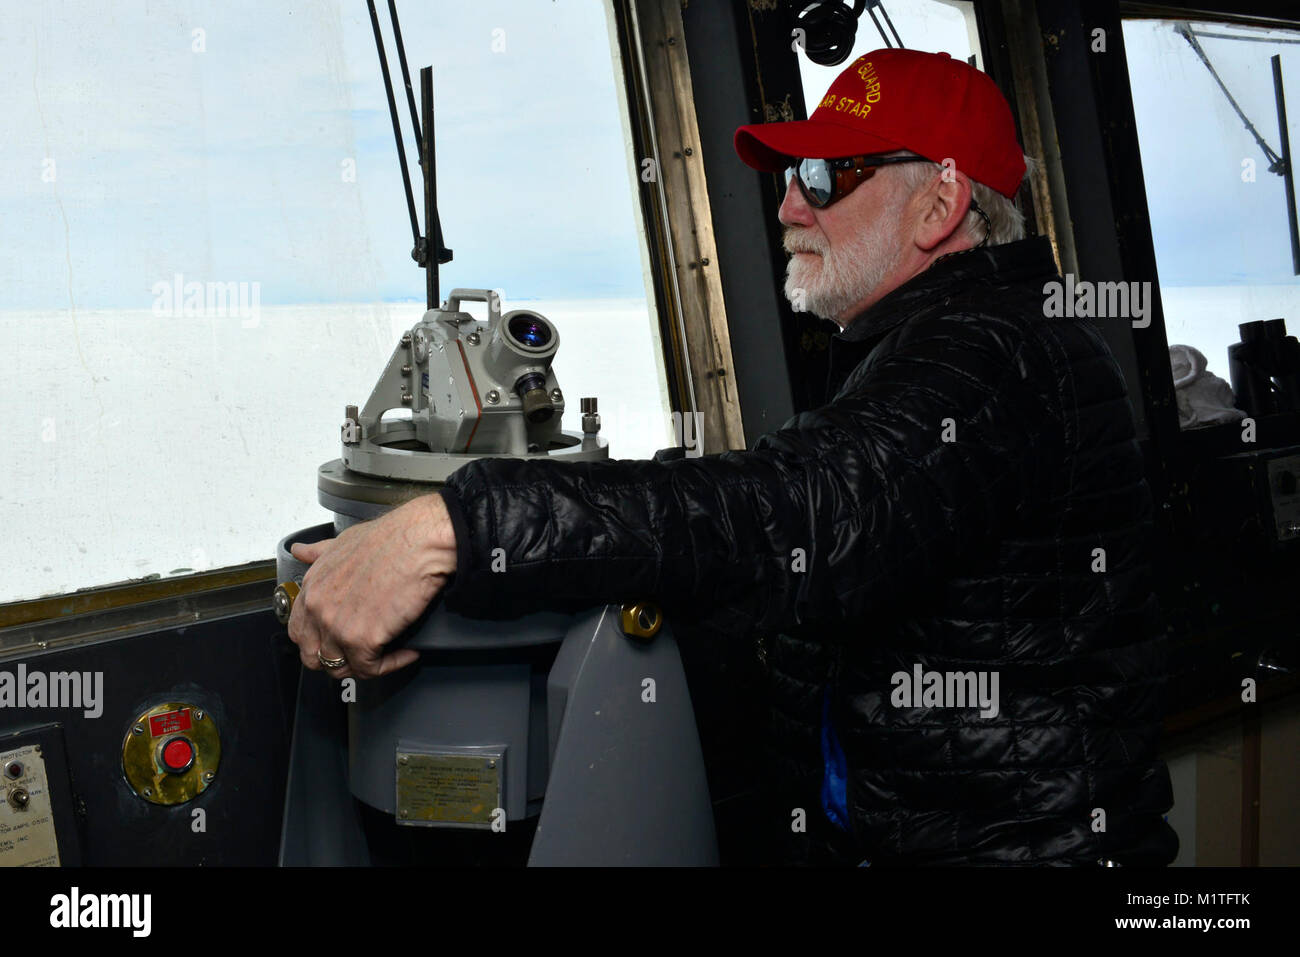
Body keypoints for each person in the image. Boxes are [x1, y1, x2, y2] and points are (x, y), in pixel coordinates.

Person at [288, 48, 1178, 866]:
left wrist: (456, 524)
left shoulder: (995, 357)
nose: (791, 205)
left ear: (940, 204)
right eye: (794, 174)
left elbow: (807, 509)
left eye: (828, 176)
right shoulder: (933, 346)